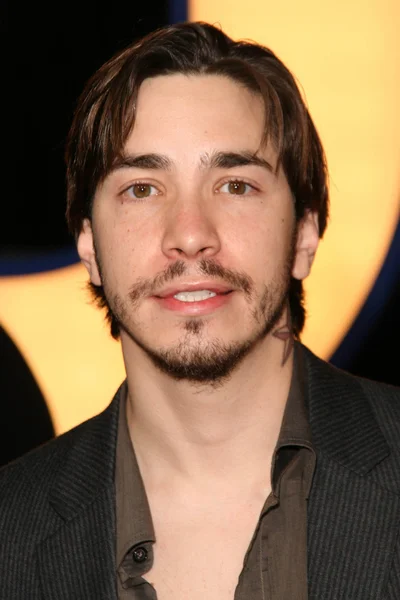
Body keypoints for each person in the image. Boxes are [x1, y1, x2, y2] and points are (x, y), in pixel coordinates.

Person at [1, 21, 400, 600]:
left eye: (235, 185)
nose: (189, 235)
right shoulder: (11, 531)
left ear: (305, 236)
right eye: (142, 188)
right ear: (89, 247)